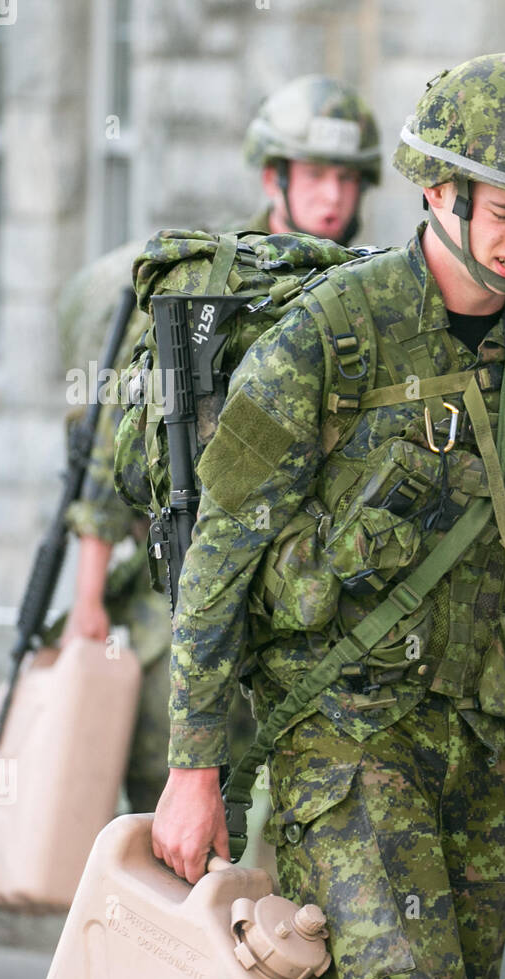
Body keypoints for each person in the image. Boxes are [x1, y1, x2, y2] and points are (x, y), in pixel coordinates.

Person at [150, 53, 505, 979]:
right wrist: (194, 767)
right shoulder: (330, 334)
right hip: (345, 739)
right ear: (435, 189)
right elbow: (222, 547)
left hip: (492, 759)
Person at [60, 76, 380, 814]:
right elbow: (120, 446)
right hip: (194, 579)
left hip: (312, 588)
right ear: (275, 177)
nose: (332, 195)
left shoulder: (373, 292)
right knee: (175, 802)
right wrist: (87, 598)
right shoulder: (212, 280)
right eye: (315, 175)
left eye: (345, 177)